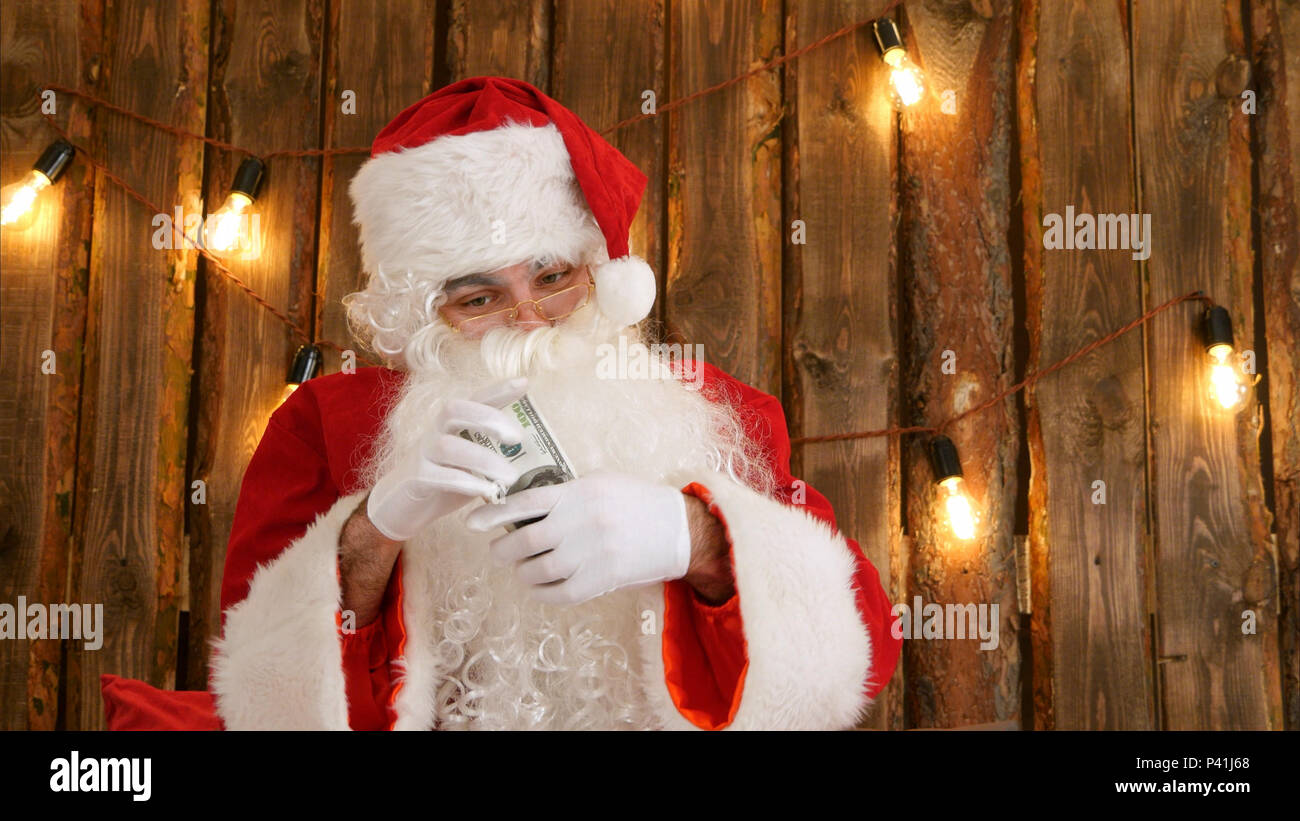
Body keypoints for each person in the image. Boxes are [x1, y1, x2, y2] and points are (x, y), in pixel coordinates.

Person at [209, 76, 901, 730]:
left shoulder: (718, 409)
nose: (530, 319)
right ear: (423, 314)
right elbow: (262, 699)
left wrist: (697, 537)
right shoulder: (325, 424)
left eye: (553, 276)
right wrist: (378, 527)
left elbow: (864, 655)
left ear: (600, 273)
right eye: (479, 298)